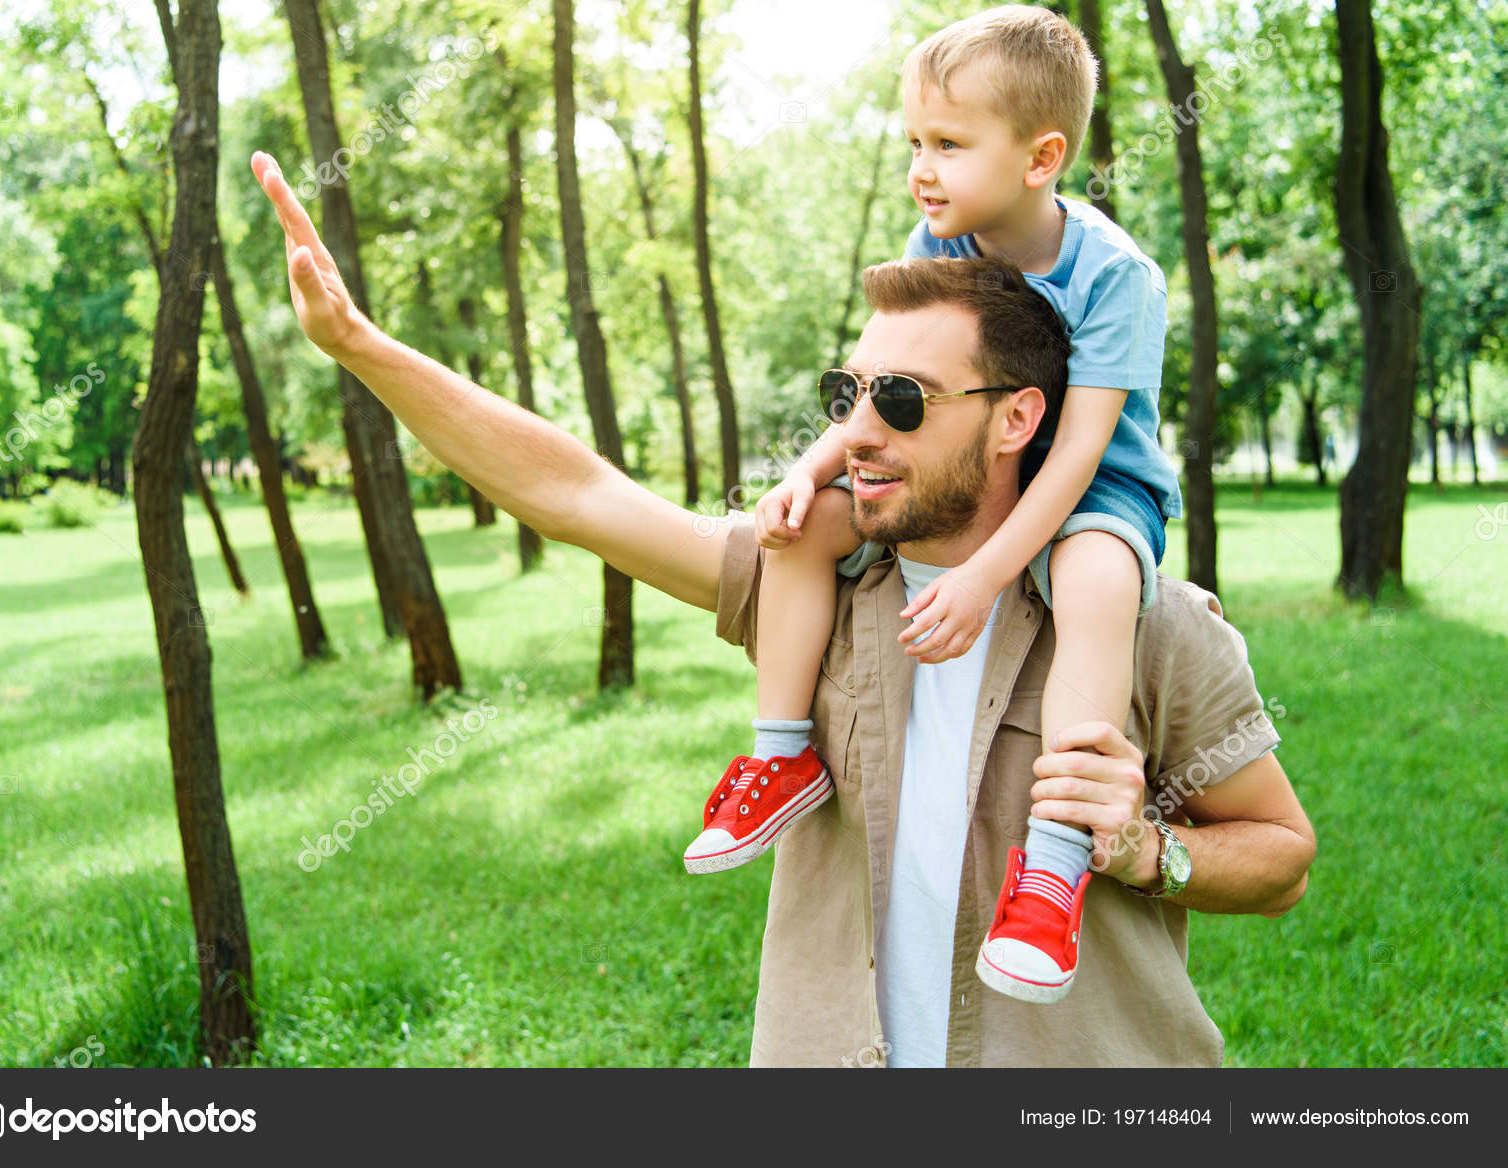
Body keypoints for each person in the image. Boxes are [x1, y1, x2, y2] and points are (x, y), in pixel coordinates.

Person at [249, 150, 1316, 1067]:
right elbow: (578, 493)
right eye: (844, 393)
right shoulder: (818, 587)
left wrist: (1143, 848)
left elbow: (1280, 857)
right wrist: (359, 347)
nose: (858, 432)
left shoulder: (1145, 620)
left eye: (901, 401)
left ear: (1015, 420)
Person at [686, 6, 1178, 1010]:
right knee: (805, 531)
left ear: (1042, 156)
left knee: (1090, 584)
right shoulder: (938, 239)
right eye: (915, 141)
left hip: (1092, 491)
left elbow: (1078, 448)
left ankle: (1049, 869)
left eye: (949, 144)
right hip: (964, 473)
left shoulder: (1114, 277)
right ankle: (782, 756)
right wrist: (806, 470)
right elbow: (886, 389)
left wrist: (986, 573)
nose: (923, 166)